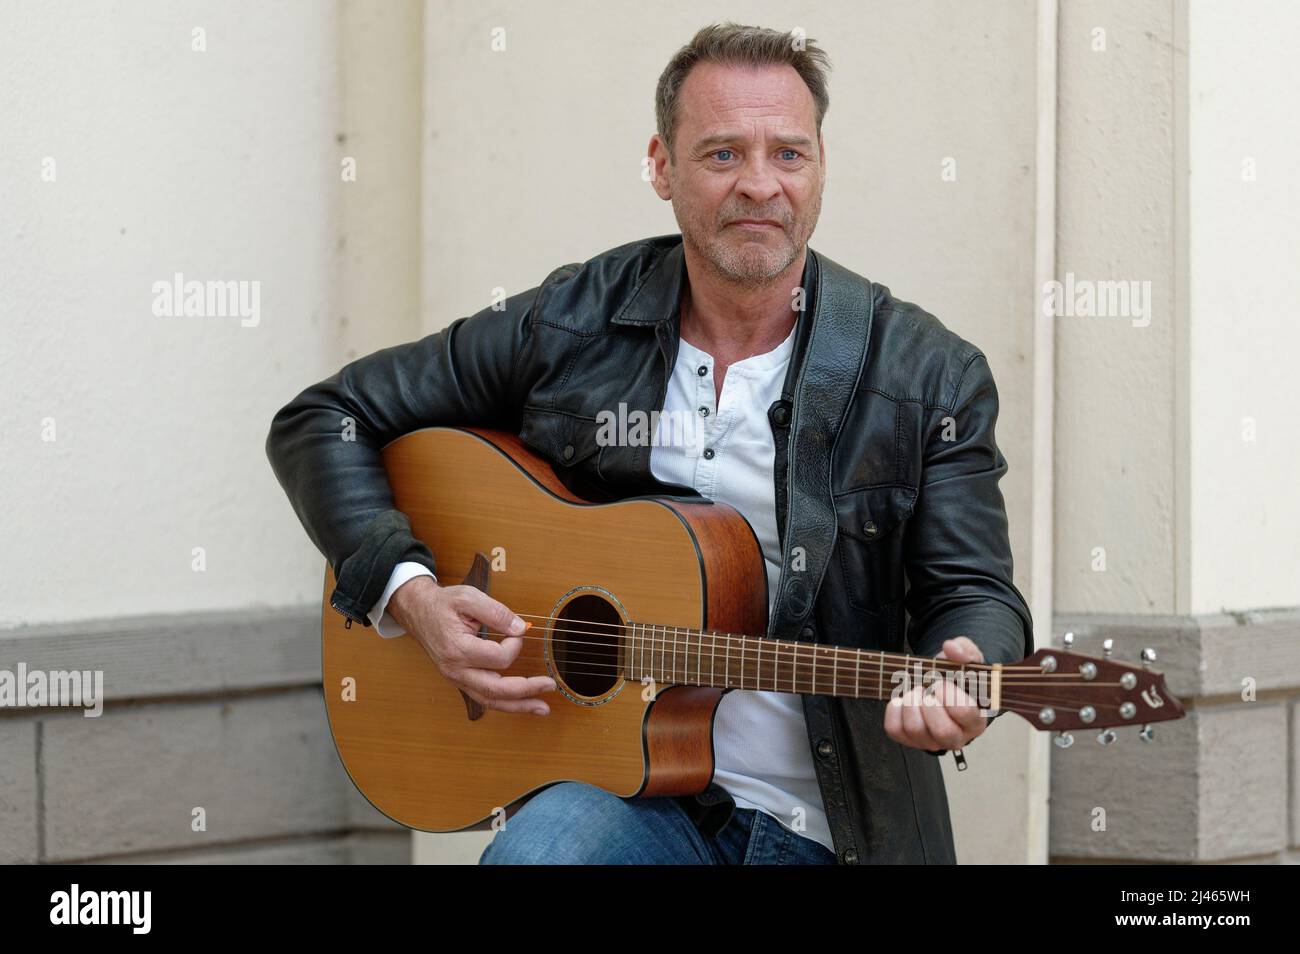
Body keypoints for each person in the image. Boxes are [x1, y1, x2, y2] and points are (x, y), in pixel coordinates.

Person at [266, 21, 1033, 865]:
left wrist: (968, 670)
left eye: (788, 154)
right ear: (662, 167)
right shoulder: (574, 319)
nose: (759, 186)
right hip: (624, 794)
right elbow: (325, 417)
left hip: (827, 828)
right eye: (721, 155)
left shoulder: (927, 375)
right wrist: (410, 597)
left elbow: (976, 596)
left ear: (820, 168)